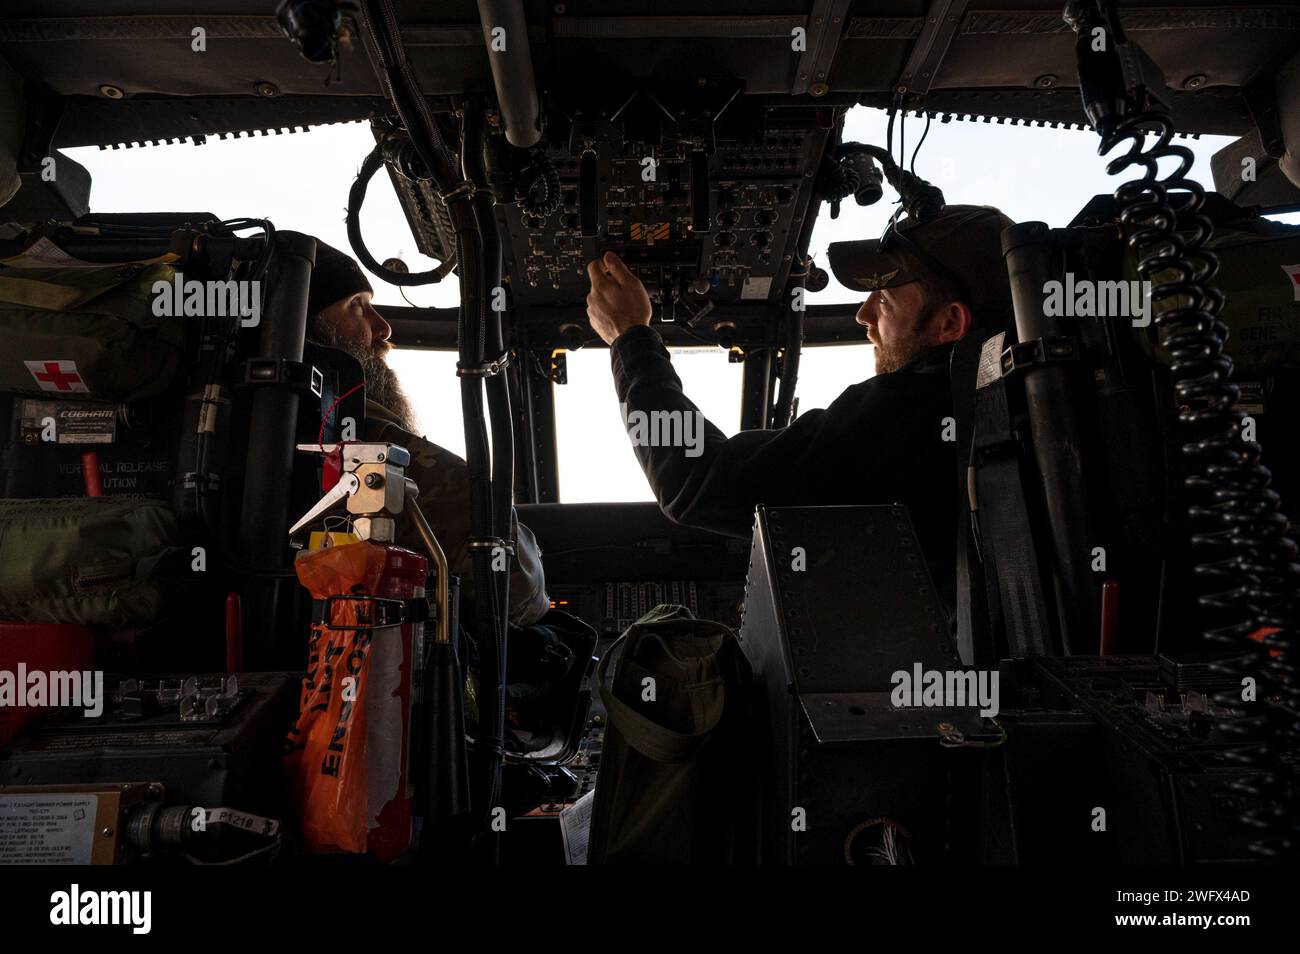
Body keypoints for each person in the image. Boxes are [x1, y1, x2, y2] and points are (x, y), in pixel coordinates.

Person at [584, 205, 1016, 619]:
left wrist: (630, 336)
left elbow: (695, 481)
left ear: (950, 324)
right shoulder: (1014, 399)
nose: (863, 315)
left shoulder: (913, 412)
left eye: (883, 301)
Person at [307, 241, 549, 626]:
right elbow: (517, 594)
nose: (382, 327)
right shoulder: (367, 446)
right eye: (356, 304)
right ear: (308, 326)